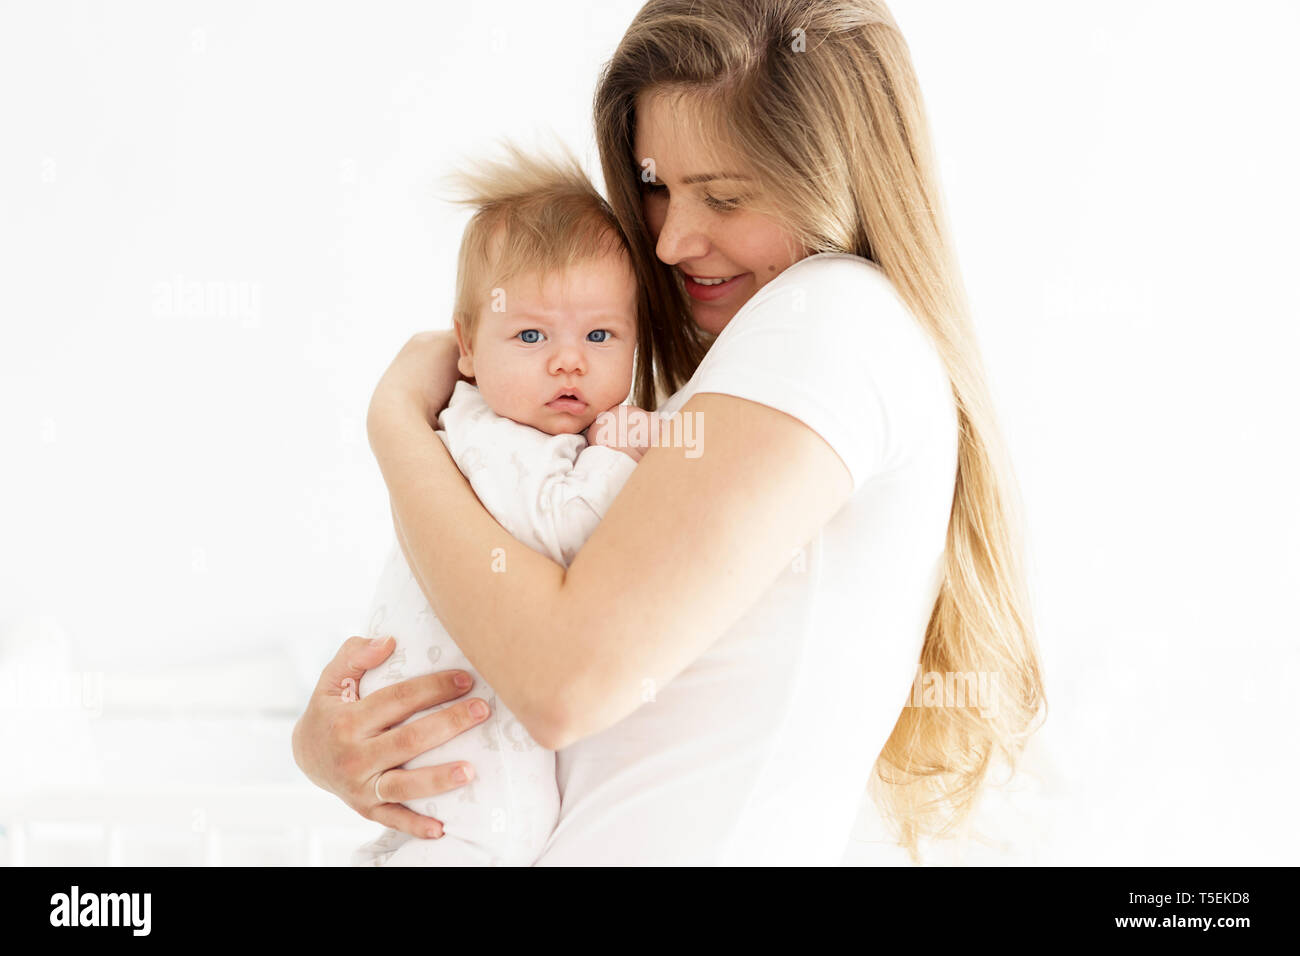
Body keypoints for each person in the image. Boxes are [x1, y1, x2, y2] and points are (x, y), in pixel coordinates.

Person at [293, 0, 1046, 865]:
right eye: (655, 185)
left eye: (724, 196)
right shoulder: (741, 366)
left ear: (838, 176)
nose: (672, 239)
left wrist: (396, 427)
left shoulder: (829, 319)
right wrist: (337, 744)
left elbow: (560, 681)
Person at [349, 145, 658, 866]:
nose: (568, 360)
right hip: (457, 739)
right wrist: (624, 452)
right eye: (530, 335)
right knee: (492, 841)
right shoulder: (491, 436)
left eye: (600, 335)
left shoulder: (510, 431)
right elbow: (566, 528)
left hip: (456, 730)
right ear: (467, 347)